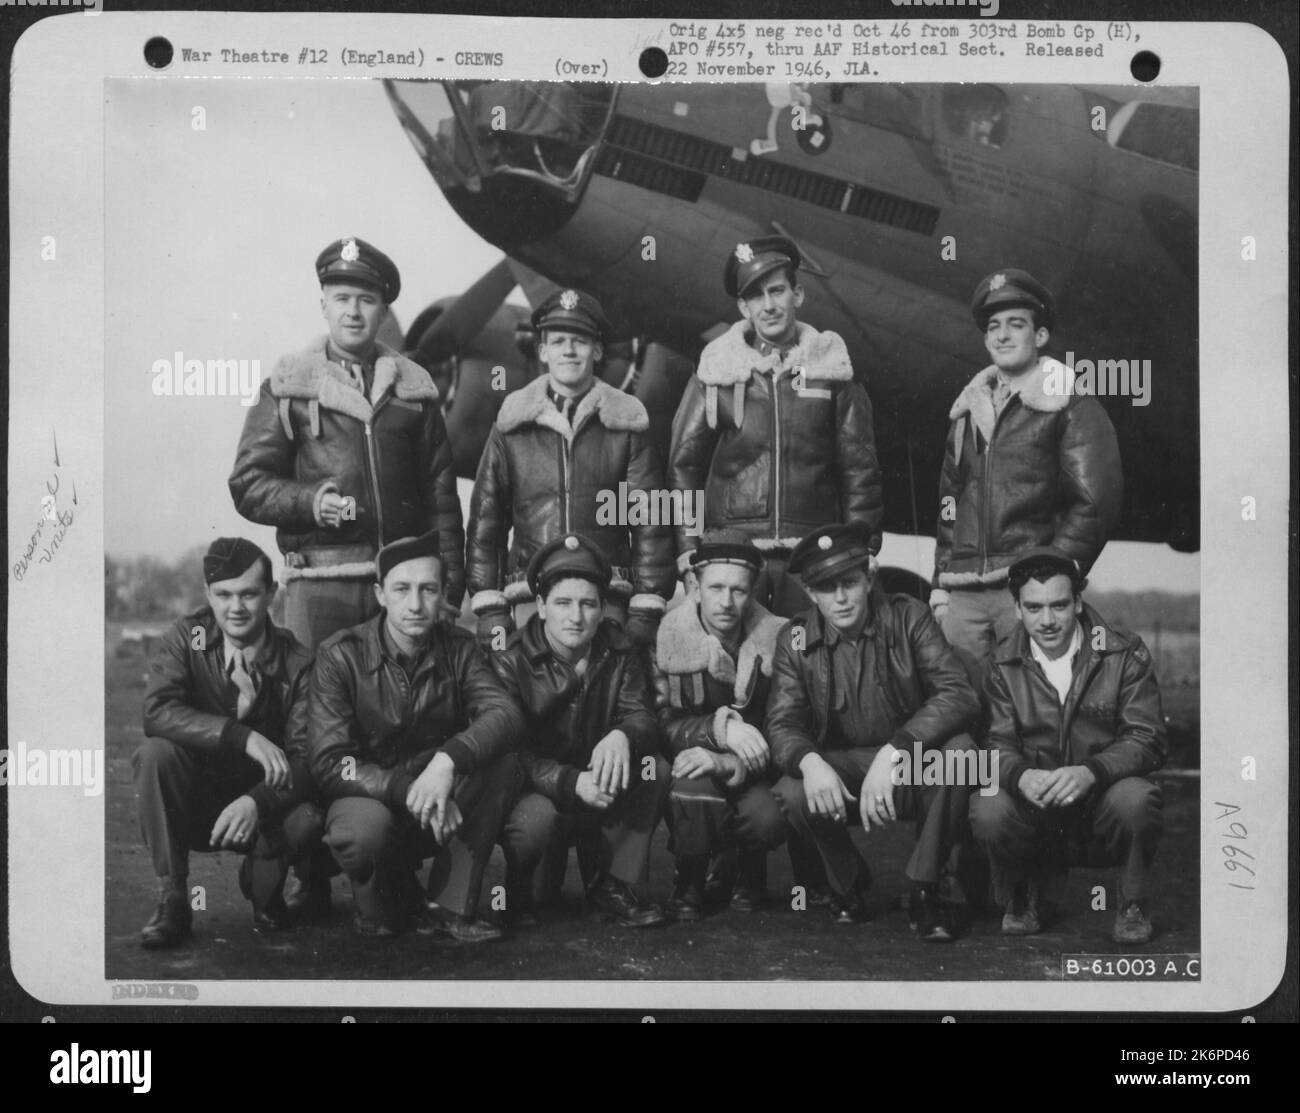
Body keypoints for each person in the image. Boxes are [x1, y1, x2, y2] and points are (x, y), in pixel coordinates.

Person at [229, 236, 464, 649]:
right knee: (316, 708)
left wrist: (449, 590)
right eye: (341, 298)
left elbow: (441, 499)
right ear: (324, 306)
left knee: (408, 711)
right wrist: (311, 502)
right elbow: (248, 483)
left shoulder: (415, 392)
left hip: (400, 588)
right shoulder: (288, 386)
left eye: (366, 300)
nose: (353, 312)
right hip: (320, 589)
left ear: (383, 310)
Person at [766, 523, 981, 941]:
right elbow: (781, 723)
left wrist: (896, 750)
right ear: (810, 593)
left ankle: (926, 888)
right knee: (793, 790)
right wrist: (810, 763)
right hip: (842, 772)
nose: (841, 597)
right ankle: (847, 885)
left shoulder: (910, 616)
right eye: (827, 587)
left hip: (904, 768)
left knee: (961, 754)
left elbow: (958, 694)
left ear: (870, 578)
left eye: (849, 582)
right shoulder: (793, 638)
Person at [305, 533, 523, 942]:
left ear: (443, 594)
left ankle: (449, 903)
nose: (416, 604)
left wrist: (448, 761)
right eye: (402, 589)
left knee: (502, 763)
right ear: (380, 594)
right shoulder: (341, 655)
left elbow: (505, 713)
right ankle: (382, 896)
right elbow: (331, 762)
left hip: (438, 799)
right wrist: (405, 789)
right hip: (372, 803)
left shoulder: (460, 648)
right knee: (380, 906)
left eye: (428, 589)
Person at [668, 235, 883, 619]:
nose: (768, 306)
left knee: (811, 669)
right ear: (743, 306)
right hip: (734, 559)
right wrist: (689, 551)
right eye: (756, 296)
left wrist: (861, 552)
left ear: (797, 295)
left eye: (777, 291)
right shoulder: (715, 372)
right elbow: (684, 465)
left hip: (812, 557)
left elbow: (860, 470)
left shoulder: (832, 371)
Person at [970, 548, 1166, 944]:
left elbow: (1147, 737)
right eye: (1034, 607)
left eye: (1059, 605)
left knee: (1137, 799)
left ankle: (1132, 903)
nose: (1046, 620)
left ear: (1078, 601)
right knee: (987, 807)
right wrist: (1021, 776)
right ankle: (1023, 894)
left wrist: (1090, 772)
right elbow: (995, 744)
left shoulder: (1123, 652)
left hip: (1101, 795)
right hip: (1035, 799)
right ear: (1017, 608)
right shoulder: (1000, 663)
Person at [134, 538, 323, 948]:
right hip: (199, 803)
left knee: (309, 813)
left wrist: (257, 800)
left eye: (249, 594)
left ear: (272, 594)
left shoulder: (298, 662)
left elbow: (306, 759)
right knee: (155, 754)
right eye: (223, 595)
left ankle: (264, 885)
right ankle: (173, 897)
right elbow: (157, 711)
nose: (235, 608)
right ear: (208, 595)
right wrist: (241, 736)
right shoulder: (190, 638)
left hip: (264, 806)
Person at [931, 268, 1122, 666]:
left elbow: (1095, 501)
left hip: (1027, 592)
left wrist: (1051, 578)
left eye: (1016, 324)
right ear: (985, 339)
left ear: (1040, 337)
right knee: (961, 704)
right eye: (994, 327)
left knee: (1033, 713)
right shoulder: (966, 411)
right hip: (964, 596)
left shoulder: (1069, 403)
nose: (1002, 335)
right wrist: (941, 585)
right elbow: (950, 503)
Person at [466, 288, 675, 647]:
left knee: (607, 698)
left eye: (579, 341)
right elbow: (487, 522)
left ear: (596, 350)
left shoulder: (627, 422)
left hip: (606, 599)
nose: (568, 350)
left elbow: (650, 523)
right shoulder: (511, 424)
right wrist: (488, 606)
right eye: (558, 341)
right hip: (531, 595)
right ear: (543, 351)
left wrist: (646, 606)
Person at [492, 534, 670, 928]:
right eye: (562, 603)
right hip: (542, 794)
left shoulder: (620, 650)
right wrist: (571, 782)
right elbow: (512, 752)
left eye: (588, 604)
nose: (576, 616)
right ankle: (522, 885)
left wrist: (623, 735)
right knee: (540, 894)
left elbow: (641, 715)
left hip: (602, 789)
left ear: (603, 607)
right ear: (539, 606)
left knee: (652, 768)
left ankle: (612, 882)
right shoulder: (510, 661)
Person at [651, 529, 787, 920]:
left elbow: (786, 726)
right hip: (691, 762)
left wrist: (729, 762)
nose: (726, 602)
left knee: (769, 817)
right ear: (695, 586)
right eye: (716, 588)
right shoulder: (667, 636)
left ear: (754, 590)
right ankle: (690, 879)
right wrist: (720, 730)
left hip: (754, 771)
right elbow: (662, 726)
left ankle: (745, 868)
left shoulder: (778, 639)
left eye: (739, 591)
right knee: (691, 787)